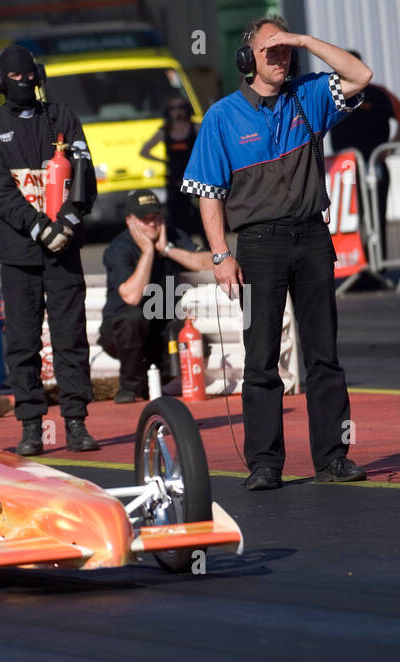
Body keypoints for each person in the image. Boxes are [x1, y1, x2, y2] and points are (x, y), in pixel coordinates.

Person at [182, 16, 371, 490]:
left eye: (287, 50)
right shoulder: (222, 117)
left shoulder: (308, 94)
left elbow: (359, 76)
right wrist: (221, 255)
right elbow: (208, 192)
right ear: (247, 59)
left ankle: (332, 457)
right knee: (261, 357)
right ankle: (265, 463)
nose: (282, 58)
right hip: (259, 245)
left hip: (311, 237)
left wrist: (304, 39)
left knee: (323, 355)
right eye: (271, 50)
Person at [0, 44, 100, 456]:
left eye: (29, 77)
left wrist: (68, 222)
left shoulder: (62, 118)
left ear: (39, 76)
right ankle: (31, 425)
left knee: (70, 337)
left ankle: (76, 422)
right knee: (23, 342)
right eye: (15, 79)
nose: (24, 84)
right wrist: (40, 228)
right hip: (19, 255)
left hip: (65, 248)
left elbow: (85, 179)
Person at [100, 190, 211, 402]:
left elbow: (209, 264)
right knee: (133, 319)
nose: (152, 224)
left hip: (162, 328)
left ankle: (166, 384)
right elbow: (132, 296)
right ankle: (129, 388)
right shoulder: (119, 248)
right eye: (145, 219)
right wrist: (148, 252)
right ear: (130, 222)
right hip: (121, 333)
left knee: (188, 332)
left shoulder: (173, 236)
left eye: (156, 218)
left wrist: (167, 249)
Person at [329, 52, 399, 234]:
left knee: (378, 214)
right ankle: (361, 260)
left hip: (375, 165)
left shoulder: (377, 93)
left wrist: (390, 148)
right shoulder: (332, 95)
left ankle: (379, 261)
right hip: (344, 170)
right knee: (352, 220)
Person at [139, 94, 202, 238]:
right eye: (173, 108)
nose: (178, 111)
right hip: (174, 181)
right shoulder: (164, 131)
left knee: (200, 217)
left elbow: (212, 145)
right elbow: (144, 151)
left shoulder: (196, 128)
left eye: (181, 107)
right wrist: (164, 161)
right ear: (168, 111)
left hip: (195, 177)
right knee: (177, 218)